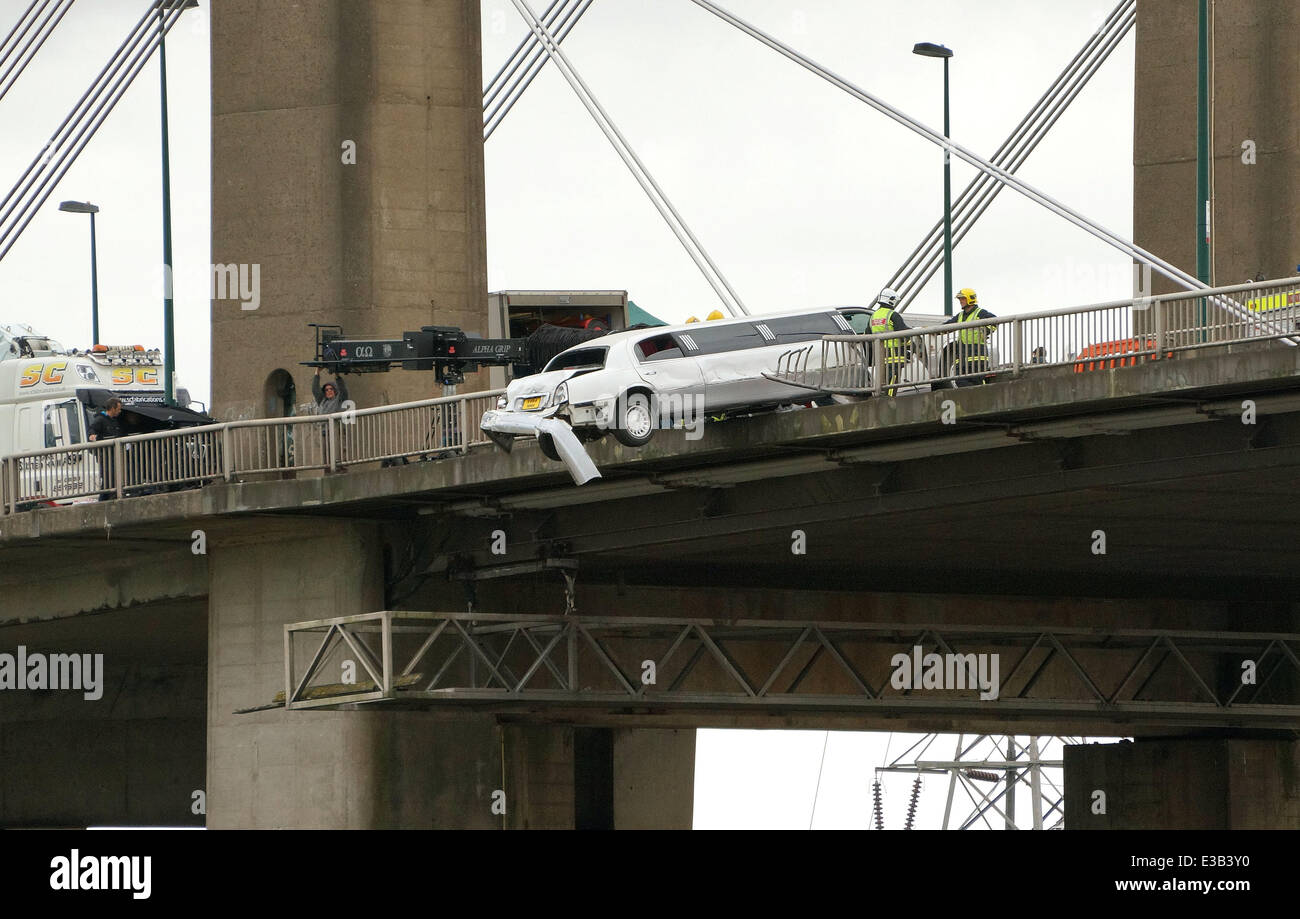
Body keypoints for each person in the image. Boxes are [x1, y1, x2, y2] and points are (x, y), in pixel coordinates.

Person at [944, 288, 997, 386]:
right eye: (959, 299)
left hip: (977, 355)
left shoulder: (980, 313)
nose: (960, 301)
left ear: (970, 299)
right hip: (963, 356)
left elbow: (994, 321)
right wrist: (935, 330)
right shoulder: (960, 316)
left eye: (962, 299)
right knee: (959, 380)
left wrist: (985, 332)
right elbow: (947, 326)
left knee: (976, 381)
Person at [869, 287, 912, 396]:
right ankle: (889, 400)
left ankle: (884, 397)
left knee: (884, 381)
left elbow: (867, 334)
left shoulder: (873, 316)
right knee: (893, 380)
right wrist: (912, 344)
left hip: (880, 355)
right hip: (895, 354)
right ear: (891, 300)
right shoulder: (893, 315)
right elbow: (903, 334)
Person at [313, 369, 351, 468]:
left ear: (334, 390)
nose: (329, 391)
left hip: (337, 431)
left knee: (339, 455)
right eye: (326, 390)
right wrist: (317, 372)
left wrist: (337, 374)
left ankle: (341, 469)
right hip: (325, 432)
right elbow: (315, 390)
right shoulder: (322, 401)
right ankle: (328, 470)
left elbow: (343, 389)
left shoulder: (340, 399)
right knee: (327, 457)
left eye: (331, 389)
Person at [88, 397, 125, 499]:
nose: (119, 411)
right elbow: (92, 430)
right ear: (112, 408)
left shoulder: (114, 421)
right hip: (105, 456)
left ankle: (111, 497)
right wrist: (92, 435)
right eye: (118, 409)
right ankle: (103, 500)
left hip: (114, 455)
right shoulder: (100, 420)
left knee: (114, 478)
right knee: (108, 479)